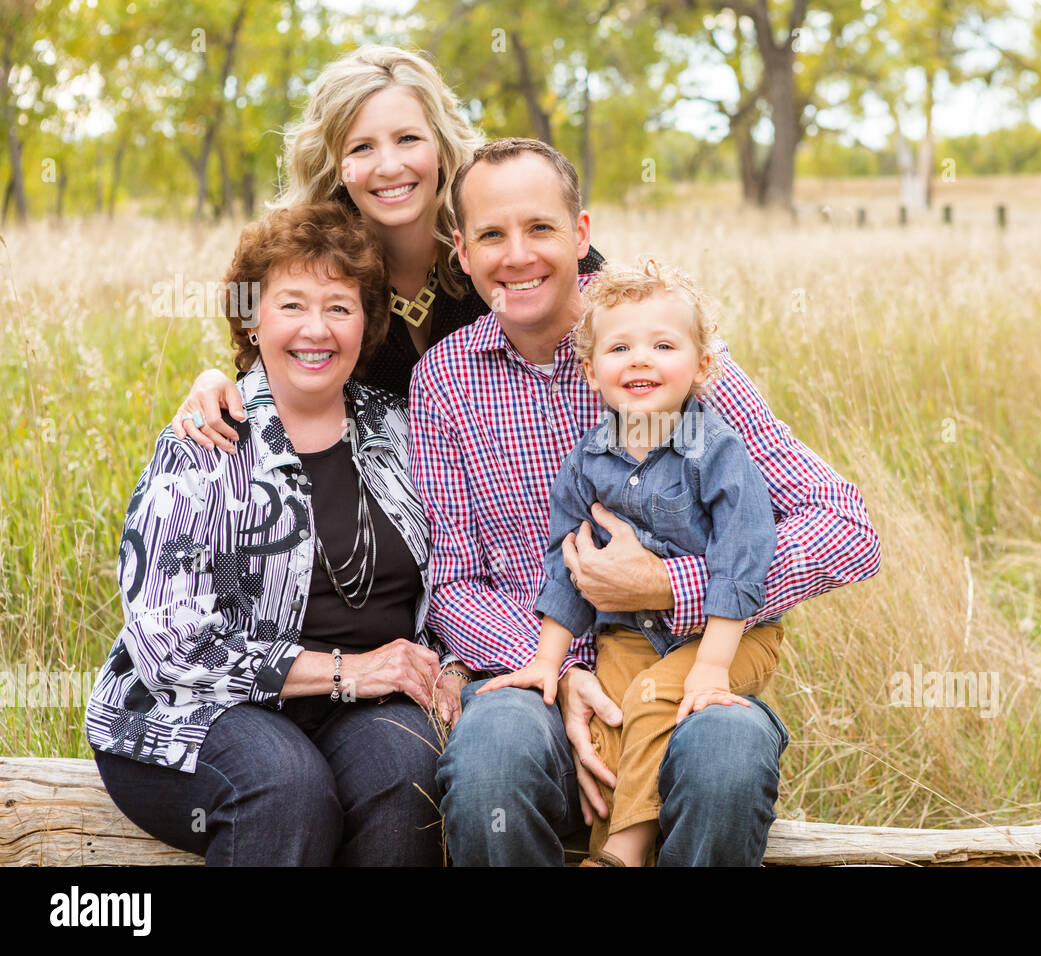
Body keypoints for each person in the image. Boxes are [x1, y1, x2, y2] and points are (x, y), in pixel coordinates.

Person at [410, 138, 883, 866]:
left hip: (689, 653)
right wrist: (564, 671)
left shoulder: (666, 352)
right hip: (535, 669)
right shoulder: (444, 381)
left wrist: (669, 585)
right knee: (491, 763)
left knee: (727, 756)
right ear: (462, 252)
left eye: (540, 228)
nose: (519, 256)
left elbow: (846, 528)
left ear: (581, 235)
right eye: (492, 235)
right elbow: (453, 584)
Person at [85, 202, 468, 866]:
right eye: (291, 305)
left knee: (410, 770)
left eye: (340, 308)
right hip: (201, 713)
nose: (316, 329)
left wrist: (448, 670)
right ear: (253, 319)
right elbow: (168, 641)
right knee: (286, 786)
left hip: (363, 709)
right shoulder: (205, 441)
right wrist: (348, 671)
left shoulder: (404, 429)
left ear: (368, 323)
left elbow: (458, 572)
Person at [477, 258, 783, 867]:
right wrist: (545, 662)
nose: (641, 359)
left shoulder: (716, 450)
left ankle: (624, 851)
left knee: (651, 696)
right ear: (591, 373)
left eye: (663, 345)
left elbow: (743, 557)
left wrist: (713, 667)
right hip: (627, 640)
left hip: (730, 636)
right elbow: (567, 564)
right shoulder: (589, 460)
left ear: (700, 367)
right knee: (605, 723)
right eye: (620, 347)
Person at [168, 45, 603, 455]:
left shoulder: (498, 238)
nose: (390, 166)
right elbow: (271, 333)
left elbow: (633, 319)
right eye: (362, 148)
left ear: (440, 146)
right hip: (390, 493)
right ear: (338, 165)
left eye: (408, 139)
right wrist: (223, 380)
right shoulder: (318, 252)